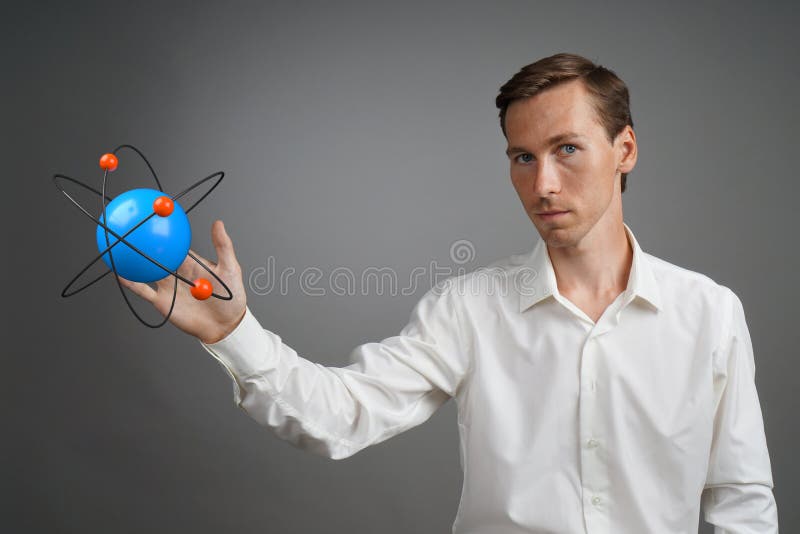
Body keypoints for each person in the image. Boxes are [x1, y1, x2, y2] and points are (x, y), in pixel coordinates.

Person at [119, 53, 779, 533]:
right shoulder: (468, 309)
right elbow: (341, 414)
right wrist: (234, 334)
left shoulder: (709, 315)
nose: (544, 183)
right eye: (523, 157)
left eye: (568, 149)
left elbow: (743, 508)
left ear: (625, 149)